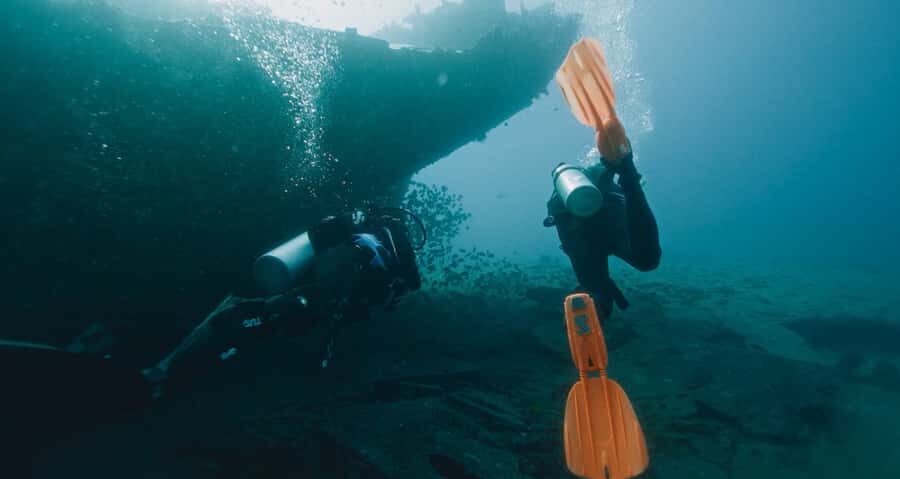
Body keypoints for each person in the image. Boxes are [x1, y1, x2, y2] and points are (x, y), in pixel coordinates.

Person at [142, 208, 423, 395]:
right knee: (267, 325)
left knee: (250, 317)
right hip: (324, 304)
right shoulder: (397, 252)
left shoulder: (358, 225)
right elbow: (406, 287)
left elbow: (318, 238)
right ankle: (190, 366)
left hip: (306, 285)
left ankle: (171, 366)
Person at [544, 136, 661, 317]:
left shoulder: (557, 200)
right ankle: (629, 177)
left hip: (580, 236)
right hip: (612, 226)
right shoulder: (600, 178)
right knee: (647, 260)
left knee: (596, 291)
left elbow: (566, 237)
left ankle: (592, 305)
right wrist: (628, 179)